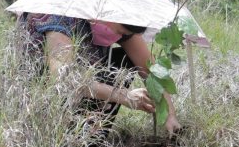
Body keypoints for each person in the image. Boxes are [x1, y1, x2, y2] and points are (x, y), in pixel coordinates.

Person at [21, 13, 182, 136]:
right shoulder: (59, 21)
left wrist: (170, 114)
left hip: (84, 82)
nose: (119, 37)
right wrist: (124, 96)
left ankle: (92, 134)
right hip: (43, 95)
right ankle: (71, 136)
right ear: (105, 12)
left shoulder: (118, 23)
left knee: (124, 59)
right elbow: (65, 81)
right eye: (119, 31)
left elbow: (150, 69)